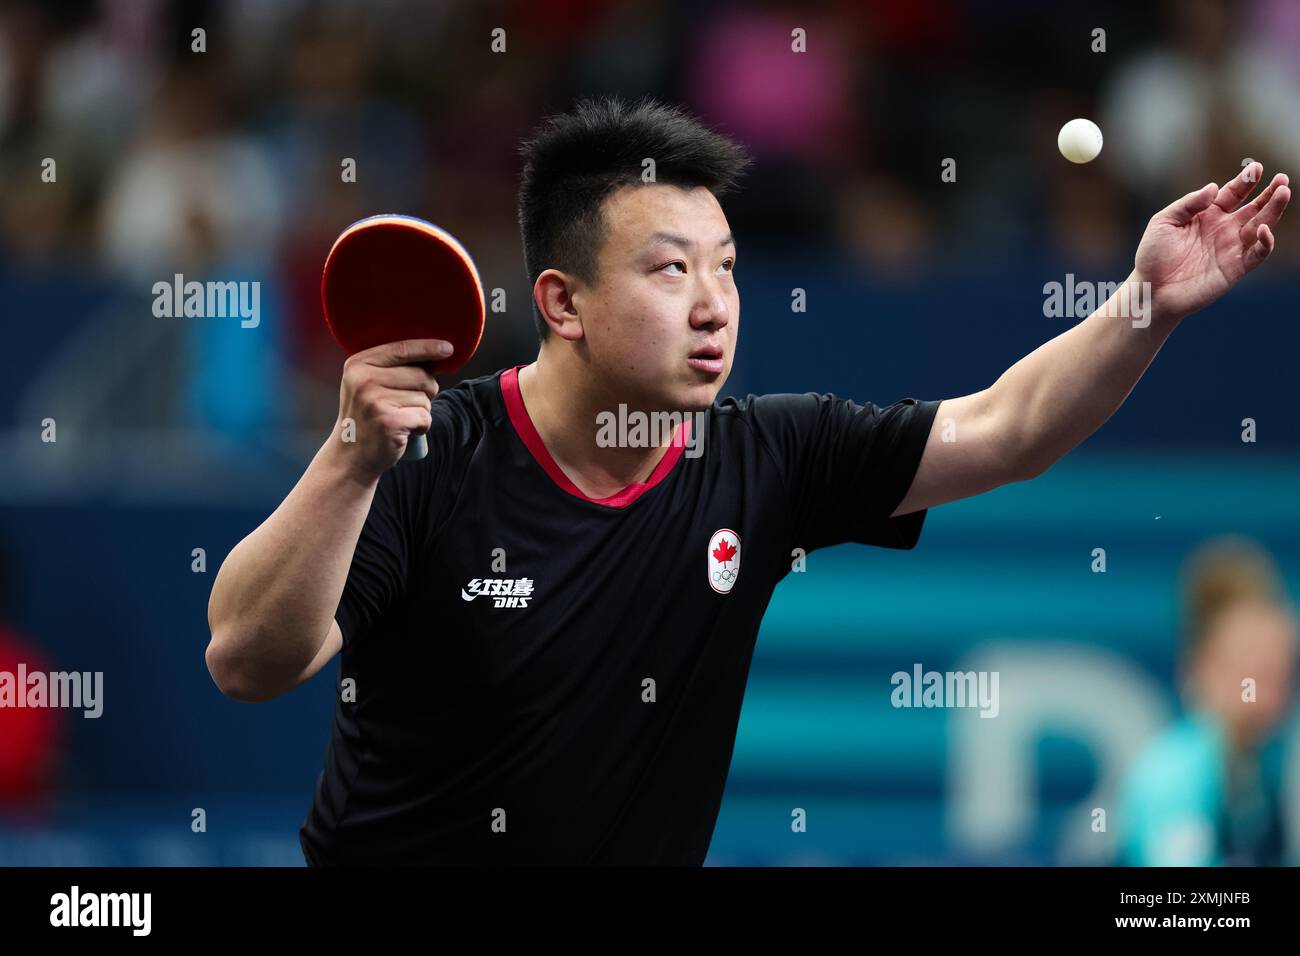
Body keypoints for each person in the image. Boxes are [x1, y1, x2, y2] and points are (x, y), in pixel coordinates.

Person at [204, 96, 1291, 865]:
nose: (714, 302)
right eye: (670, 269)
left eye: (724, 266)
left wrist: (1143, 305)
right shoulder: (424, 449)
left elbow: (1006, 428)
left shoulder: (767, 456)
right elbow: (249, 658)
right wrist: (350, 459)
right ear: (562, 300)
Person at [1119, 537, 1299, 866]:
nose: (1274, 692)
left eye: (1283, 674)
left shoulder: (1260, 769)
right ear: (1204, 668)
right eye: (1257, 671)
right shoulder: (1173, 774)